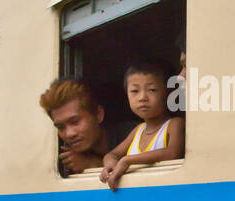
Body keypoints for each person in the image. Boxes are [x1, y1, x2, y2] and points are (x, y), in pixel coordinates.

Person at [100, 61, 185, 190]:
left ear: (168, 93)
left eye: (152, 90)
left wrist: (127, 160)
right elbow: (112, 154)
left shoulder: (174, 124)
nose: (142, 97)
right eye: (134, 91)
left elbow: (172, 153)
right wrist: (110, 164)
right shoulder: (138, 131)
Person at [39, 79, 111, 175]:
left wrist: (93, 164)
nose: (69, 134)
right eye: (60, 127)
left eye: (75, 122)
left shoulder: (134, 136)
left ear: (98, 114)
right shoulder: (69, 156)